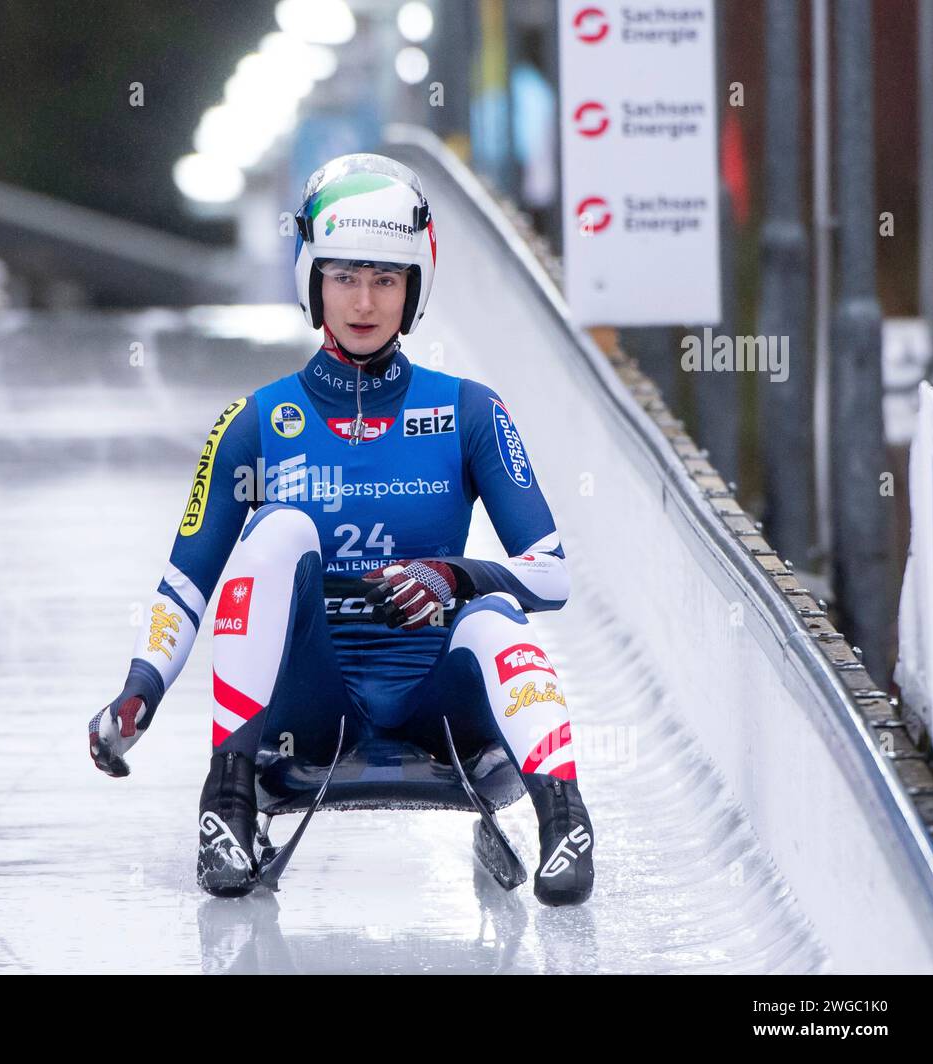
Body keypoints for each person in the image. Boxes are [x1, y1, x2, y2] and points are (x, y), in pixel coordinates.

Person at [89, 153, 594, 906]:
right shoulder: (256, 422)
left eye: (386, 279)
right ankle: (225, 801)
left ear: (413, 286)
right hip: (306, 708)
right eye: (345, 277)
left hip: (440, 708)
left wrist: (456, 576)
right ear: (312, 281)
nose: (364, 302)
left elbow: (551, 574)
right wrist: (141, 689)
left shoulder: (470, 411)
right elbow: (186, 581)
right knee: (280, 528)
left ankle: (567, 824)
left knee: (493, 613)